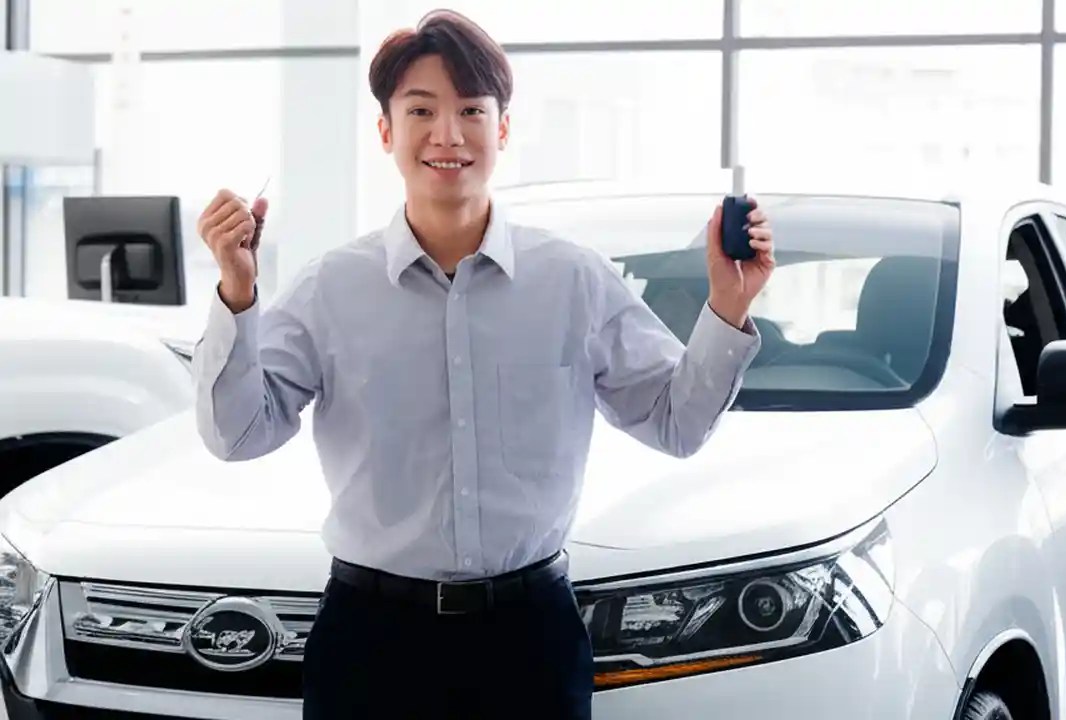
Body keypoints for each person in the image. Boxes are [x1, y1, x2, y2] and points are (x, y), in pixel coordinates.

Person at [191, 8, 775, 719]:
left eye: (471, 109)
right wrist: (237, 291)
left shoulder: (573, 280)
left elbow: (676, 425)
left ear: (501, 129)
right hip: (372, 642)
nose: (447, 134)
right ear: (386, 132)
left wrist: (727, 305)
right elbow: (237, 435)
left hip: (527, 639)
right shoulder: (329, 288)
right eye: (421, 110)